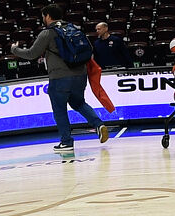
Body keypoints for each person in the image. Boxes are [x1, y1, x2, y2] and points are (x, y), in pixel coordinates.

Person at [10, 6, 110, 152]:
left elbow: (32, 54)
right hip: (80, 75)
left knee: (59, 109)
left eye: (44, 16)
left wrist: (14, 49)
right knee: (79, 103)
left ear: (48, 16)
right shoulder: (74, 28)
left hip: (59, 77)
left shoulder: (47, 33)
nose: (43, 19)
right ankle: (98, 124)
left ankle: (66, 142)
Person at [87, 21, 120, 115]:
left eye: (99, 29)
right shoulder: (97, 43)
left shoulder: (116, 40)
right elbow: (96, 58)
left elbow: (123, 54)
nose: (97, 31)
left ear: (106, 29)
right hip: (103, 72)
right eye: (96, 29)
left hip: (116, 70)